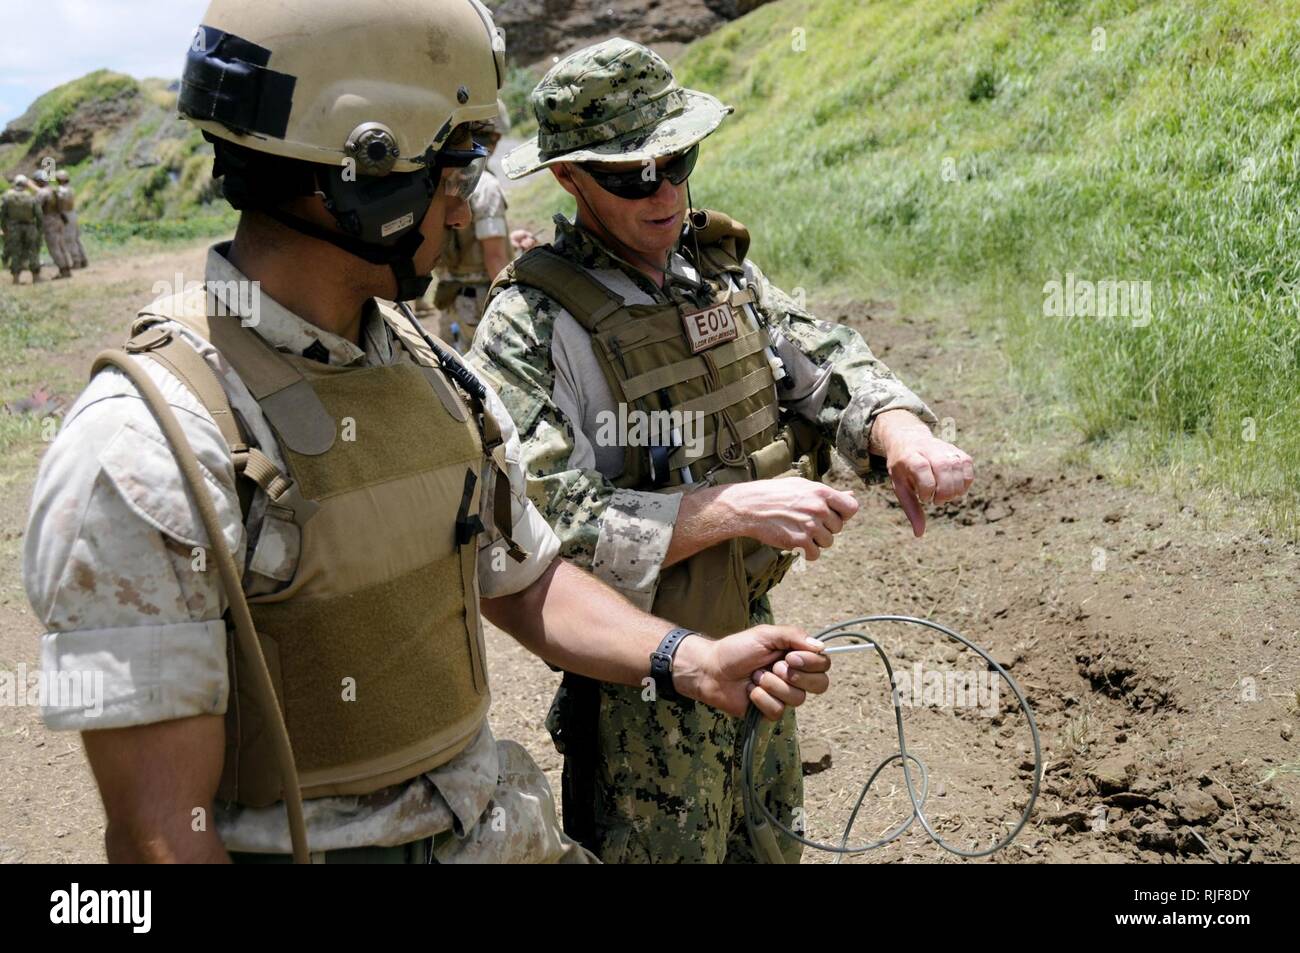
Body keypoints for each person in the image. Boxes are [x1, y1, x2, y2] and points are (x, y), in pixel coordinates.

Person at [23, 2, 829, 865]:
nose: (464, 214)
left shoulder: (427, 367)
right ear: (363, 175)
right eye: (452, 172)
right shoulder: (144, 449)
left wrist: (686, 658)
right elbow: (158, 836)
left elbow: (524, 580)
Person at [468, 37, 975, 863]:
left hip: (757, 648)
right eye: (633, 175)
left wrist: (899, 432)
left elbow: (821, 359)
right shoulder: (529, 325)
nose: (665, 190)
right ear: (569, 177)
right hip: (640, 692)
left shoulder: (714, 272)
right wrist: (732, 508)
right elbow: (540, 532)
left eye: (678, 159)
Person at [424, 99, 517, 353]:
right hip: (480, 301)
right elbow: (495, 258)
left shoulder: (436, 179)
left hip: (448, 298)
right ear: (493, 138)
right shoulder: (485, 184)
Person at [1, 174, 42, 283]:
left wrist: (4, 228)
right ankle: (36, 277)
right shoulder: (31, 197)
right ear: (25, 185)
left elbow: (2, 215)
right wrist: (39, 229)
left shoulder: (7, 196)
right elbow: (38, 214)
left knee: (15, 252)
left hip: (14, 228)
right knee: (32, 251)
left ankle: (16, 278)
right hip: (30, 227)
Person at [33, 169, 72, 279]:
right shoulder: (54, 190)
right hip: (58, 220)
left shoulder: (42, 193)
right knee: (61, 246)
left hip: (48, 222)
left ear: (40, 181)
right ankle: (67, 269)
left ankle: (63, 270)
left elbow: (36, 209)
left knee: (53, 247)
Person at [55, 170, 89, 269]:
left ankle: (76, 261)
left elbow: (59, 203)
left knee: (69, 239)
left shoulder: (61, 190)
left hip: (66, 215)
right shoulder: (71, 189)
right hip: (73, 213)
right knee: (76, 238)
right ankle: (83, 259)